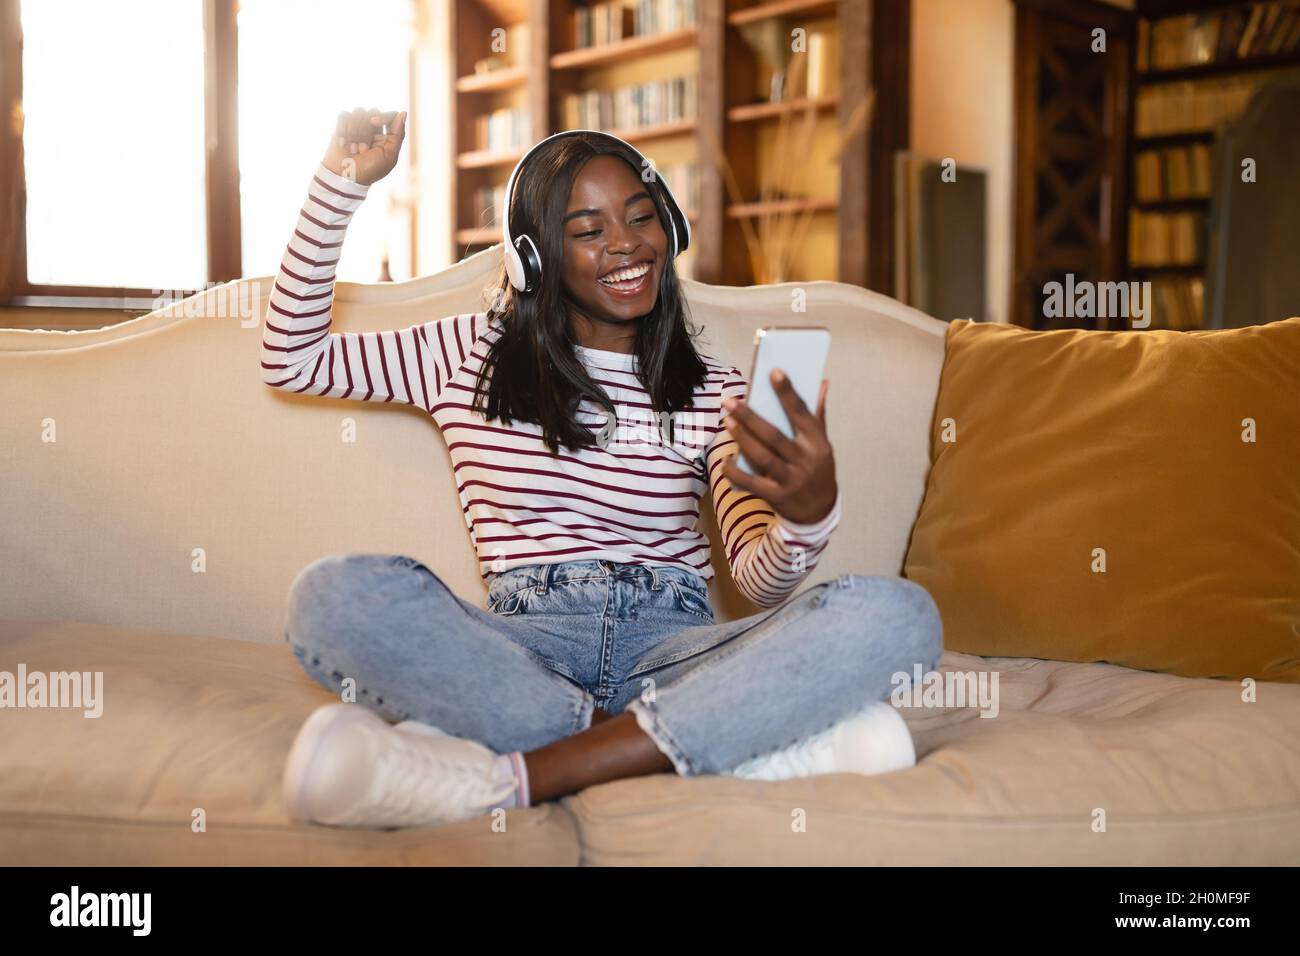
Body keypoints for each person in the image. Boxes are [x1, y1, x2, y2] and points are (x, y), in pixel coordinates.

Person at [262, 107, 944, 830]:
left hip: (677, 651)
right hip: (526, 650)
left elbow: (754, 577)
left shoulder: (716, 387)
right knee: (332, 595)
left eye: (642, 218)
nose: (626, 245)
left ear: (671, 230)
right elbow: (291, 357)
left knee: (898, 615)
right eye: (587, 231)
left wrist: (808, 515)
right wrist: (340, 184)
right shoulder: (463, 352)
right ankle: (701, 745)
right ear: (533, 259)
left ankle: (504, 774)